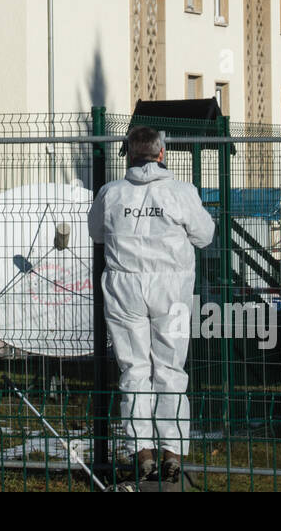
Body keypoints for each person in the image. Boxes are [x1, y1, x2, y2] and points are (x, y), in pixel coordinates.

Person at [88, 125, 214, 485]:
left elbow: (96, 232)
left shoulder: (111, 193)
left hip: (124, 286)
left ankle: (142, 453)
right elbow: (205, 236)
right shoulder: (181, 192)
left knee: (134, 371)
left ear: (128, 153)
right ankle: (172, 456)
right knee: (171, 370)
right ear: (162, 154)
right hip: (172, 288)